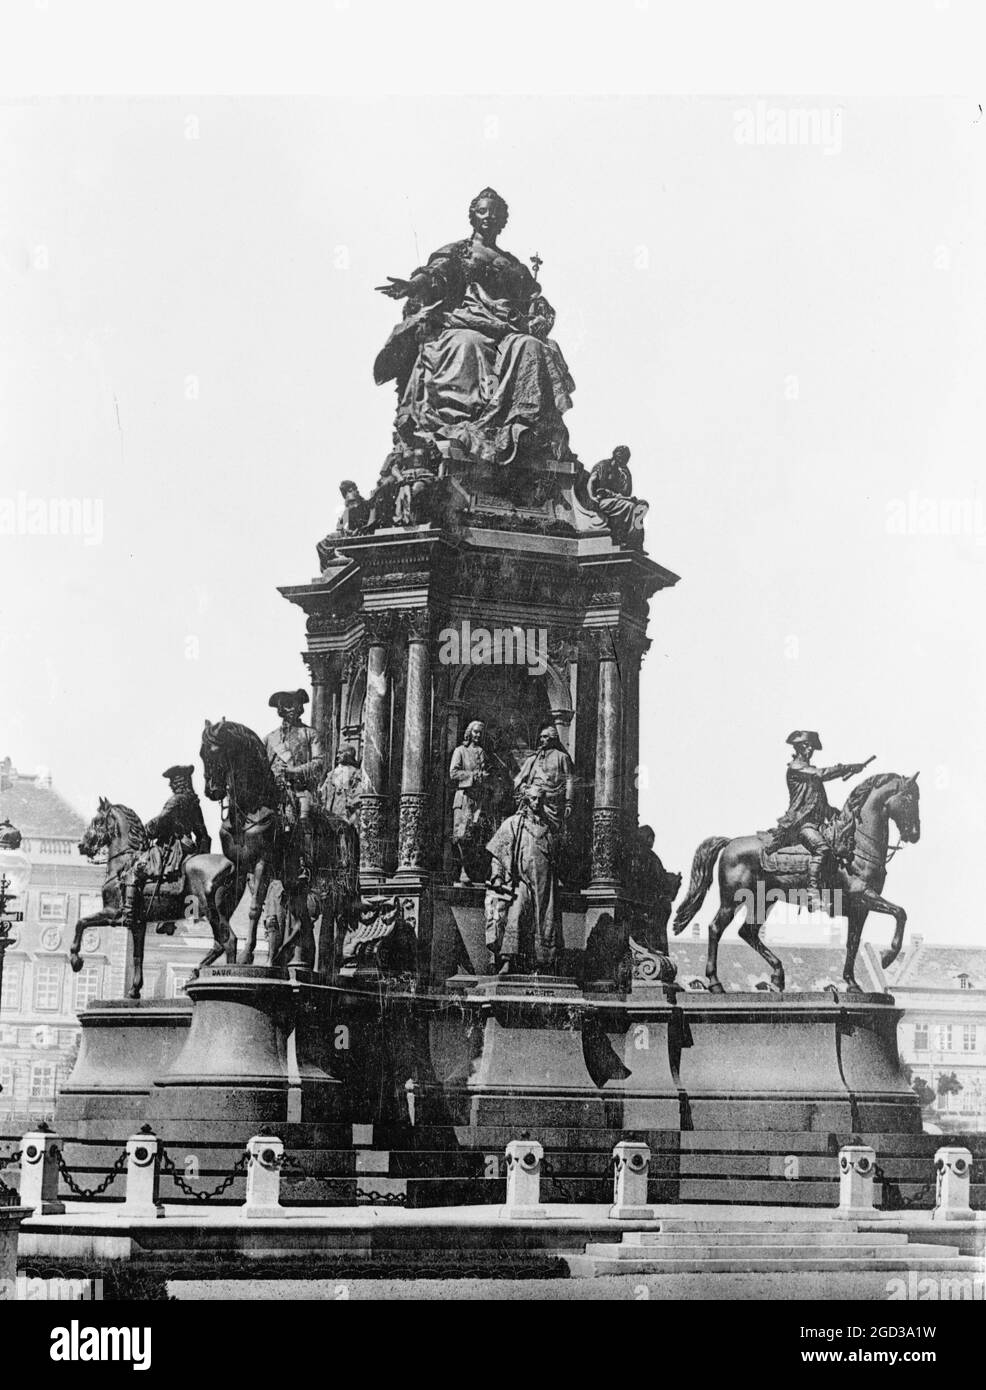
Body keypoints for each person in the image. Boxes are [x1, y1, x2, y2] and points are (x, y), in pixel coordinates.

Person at [374, 188, 575, 468]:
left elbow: (532, 300)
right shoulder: (460, 251)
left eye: (495, 212)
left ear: (503, 220)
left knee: (532, 347)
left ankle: (522, 427)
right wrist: (412, 286)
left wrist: (540, 315)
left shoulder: (514, 264)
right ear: (473, 216)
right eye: (483, 211)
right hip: (466, 319)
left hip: (507, 327)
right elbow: (435, 275)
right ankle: (462, 424)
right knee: (468, 344)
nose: (489, 217)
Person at [765, 730, 871, 910]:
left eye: (811, 747)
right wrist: (848, 767)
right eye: (806, 746)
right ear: (798, 747)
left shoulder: (809, 772)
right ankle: (813, 894)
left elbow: (818, 802)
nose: (809, 749)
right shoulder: (797, 768)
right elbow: (822, 774)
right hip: (801, 823)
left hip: (817, 822)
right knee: (821, 848)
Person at [122, 765, 211, 925]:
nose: (170, 785)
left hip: (171, 848)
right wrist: (201, 854)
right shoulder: (194, 803)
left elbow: (159, 821)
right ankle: (169, 919)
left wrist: (144, 831)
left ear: (179, 782)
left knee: (136, 867)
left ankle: (128, 912)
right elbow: (203, 834)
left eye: (172, 781)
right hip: (188, 849)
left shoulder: (176, 800)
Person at [264, 689, 325, 829]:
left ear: (300, 707)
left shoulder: (310, 734)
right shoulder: (269, 738)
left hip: (301, 792)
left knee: (305, 825)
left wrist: (295, 771)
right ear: (280, 709)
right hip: (273, 794)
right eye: (286, 705)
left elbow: (319, 762)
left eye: (294, 704)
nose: (291, 708)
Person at [449, 720, 495, 884]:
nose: (477, 735)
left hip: (479, 800)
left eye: (480, 733)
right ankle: (462, 871)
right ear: (469, 732)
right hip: (464, 798)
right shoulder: (460, 751)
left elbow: (488, 773)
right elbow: (453, 773)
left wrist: (486, 778)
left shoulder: (483, 752)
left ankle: (476, 873)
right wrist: (473, 776)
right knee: (462, 836)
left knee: (478, 836)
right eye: (475, 732)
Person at [512, 722, 575, 832]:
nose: (542, 739)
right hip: (534, 801)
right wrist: (522, 787)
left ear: (553, 738)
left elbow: (569, 780)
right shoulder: (534, 758)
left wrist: (569, 802)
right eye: (541, 737)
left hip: (552, 803)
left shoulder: (562, 757)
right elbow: (520, 777)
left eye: (545, 737)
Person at [320, 746, 364, 826]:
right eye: (337, 753)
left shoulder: (355, 773)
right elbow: (323, 794)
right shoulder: (331, 774)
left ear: (349, 754)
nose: (337, 756)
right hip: (329, 820)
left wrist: (351, 820)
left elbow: (358, 798)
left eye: (340, 753)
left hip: (347, 819)